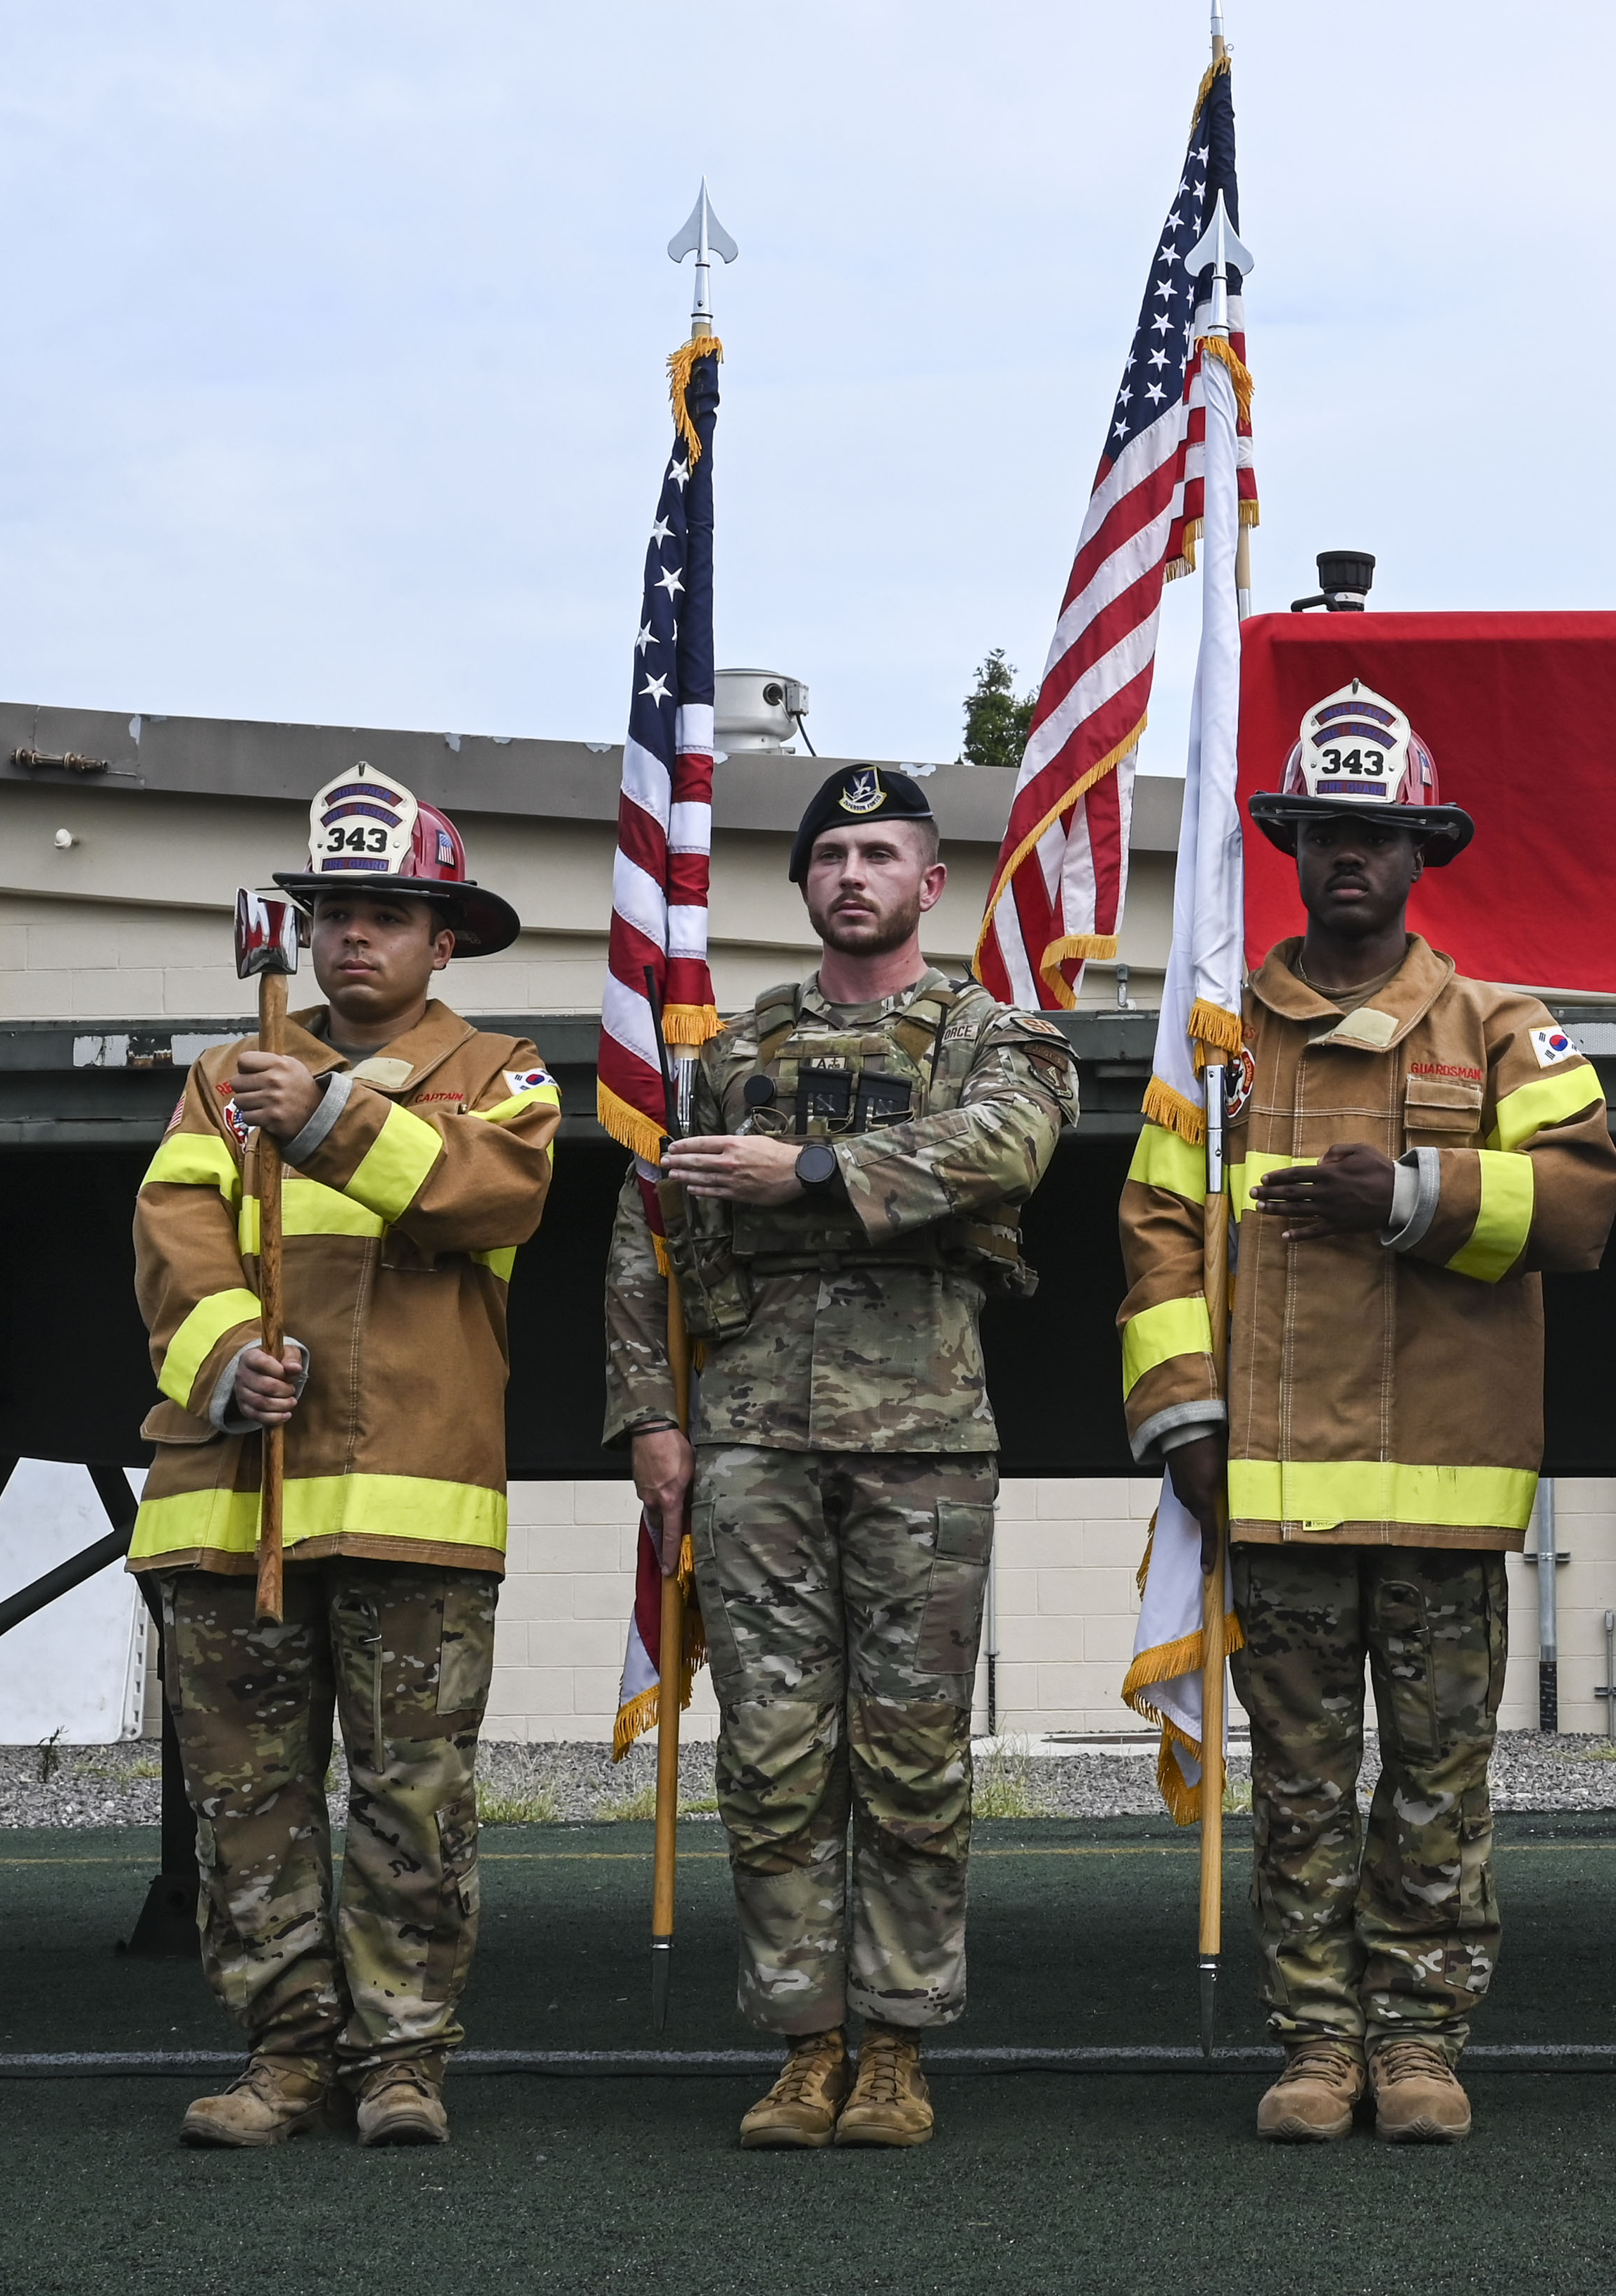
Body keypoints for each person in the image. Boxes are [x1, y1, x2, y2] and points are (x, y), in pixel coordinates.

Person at [1118, 681, 1616, 2145]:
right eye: (1329, 830)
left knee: (1436, 1784)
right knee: (1296, 1785)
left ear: (1424, 854)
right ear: (1287, 842)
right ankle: (1316, 2043)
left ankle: (1418, 2041)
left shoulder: (1503, 1029)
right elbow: (1155, 1230)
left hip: (1443, 1496)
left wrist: (1406, 1197)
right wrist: (1185, 1422)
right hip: (1268, 1481)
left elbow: (1584, 1208)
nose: (1353, 854)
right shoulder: (1215, 1048)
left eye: (1380, 833)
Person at [605, 762, 1078, 2152]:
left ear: (930, 883)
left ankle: (896, 2046)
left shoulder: (1000, 1034)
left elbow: (1009, 1146)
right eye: (831, 854)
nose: (853, 873)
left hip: (923, 1443)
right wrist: (650, 1416)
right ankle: (804, 2045)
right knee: (771, 1752)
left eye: (882, 853)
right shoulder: (728, 1048)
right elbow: (643, 1234)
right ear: (804, 882)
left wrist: (804, 1173)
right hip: (749, 1440)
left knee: (914, 1754)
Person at [130, 767, 559, 2149]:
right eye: (330, 913)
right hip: (230, 1495)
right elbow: (174, 1243)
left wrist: (318, 1111)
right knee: (248, 1802)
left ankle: (402, 2063)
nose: (352, 937)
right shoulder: (215, 1080)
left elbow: (488, 1197)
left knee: (410, 1799)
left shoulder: (504, 1073)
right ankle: (285, 2057)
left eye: (386, 913)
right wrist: (220, 1354)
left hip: (414, 1510)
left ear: (448, 939)